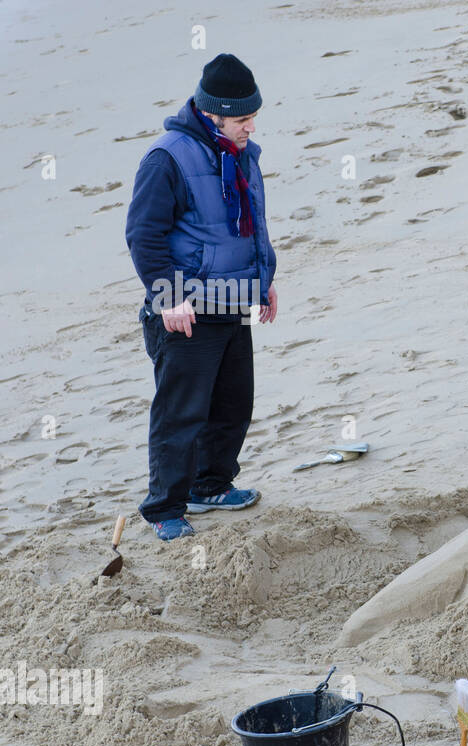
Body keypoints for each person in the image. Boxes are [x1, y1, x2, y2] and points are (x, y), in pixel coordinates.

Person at [125, 53, 277, 541]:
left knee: (233, 405)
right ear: (212, 114)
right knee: (181, 413)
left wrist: (263, 279)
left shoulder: (242, 154)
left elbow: (247, 228)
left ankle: (209, 486)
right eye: (242, 119)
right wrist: (168, 296)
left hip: (232, 301)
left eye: (253, 117)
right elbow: (143, 235)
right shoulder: (166, 157)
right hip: (184, 311)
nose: (250, 127)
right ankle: (166, 508)